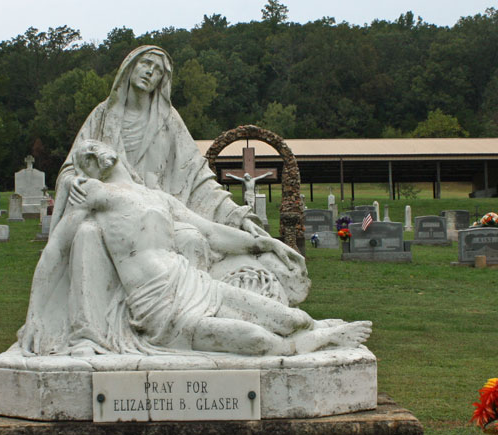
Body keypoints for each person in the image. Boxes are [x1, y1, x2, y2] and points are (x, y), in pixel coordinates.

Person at [19, 141, 370, 356]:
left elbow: (210, 232)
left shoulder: (157, 197)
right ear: (85, 171)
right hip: (159, 308)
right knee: (256, 340)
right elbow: (55, 253)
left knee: (291, 317)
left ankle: (317, 331)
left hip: (193, 284)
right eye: (87, 157)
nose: (96, 154)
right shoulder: (93, 195)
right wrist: (35, 314)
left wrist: (264, 241)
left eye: (95, 147)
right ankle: (305, 346)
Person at [51, 45, 309, 307]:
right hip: (112, 212)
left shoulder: (168, 120)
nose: (150, 72)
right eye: (145, 64)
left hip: (159, 211)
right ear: (129, 68)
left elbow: (197, 177)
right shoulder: (103, 116)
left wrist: (236, 216)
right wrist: (74, 181)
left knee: (192, 238)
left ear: (162, 81)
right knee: (87, 233)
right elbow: (72, 166)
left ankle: (190, 310)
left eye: (158, 71)